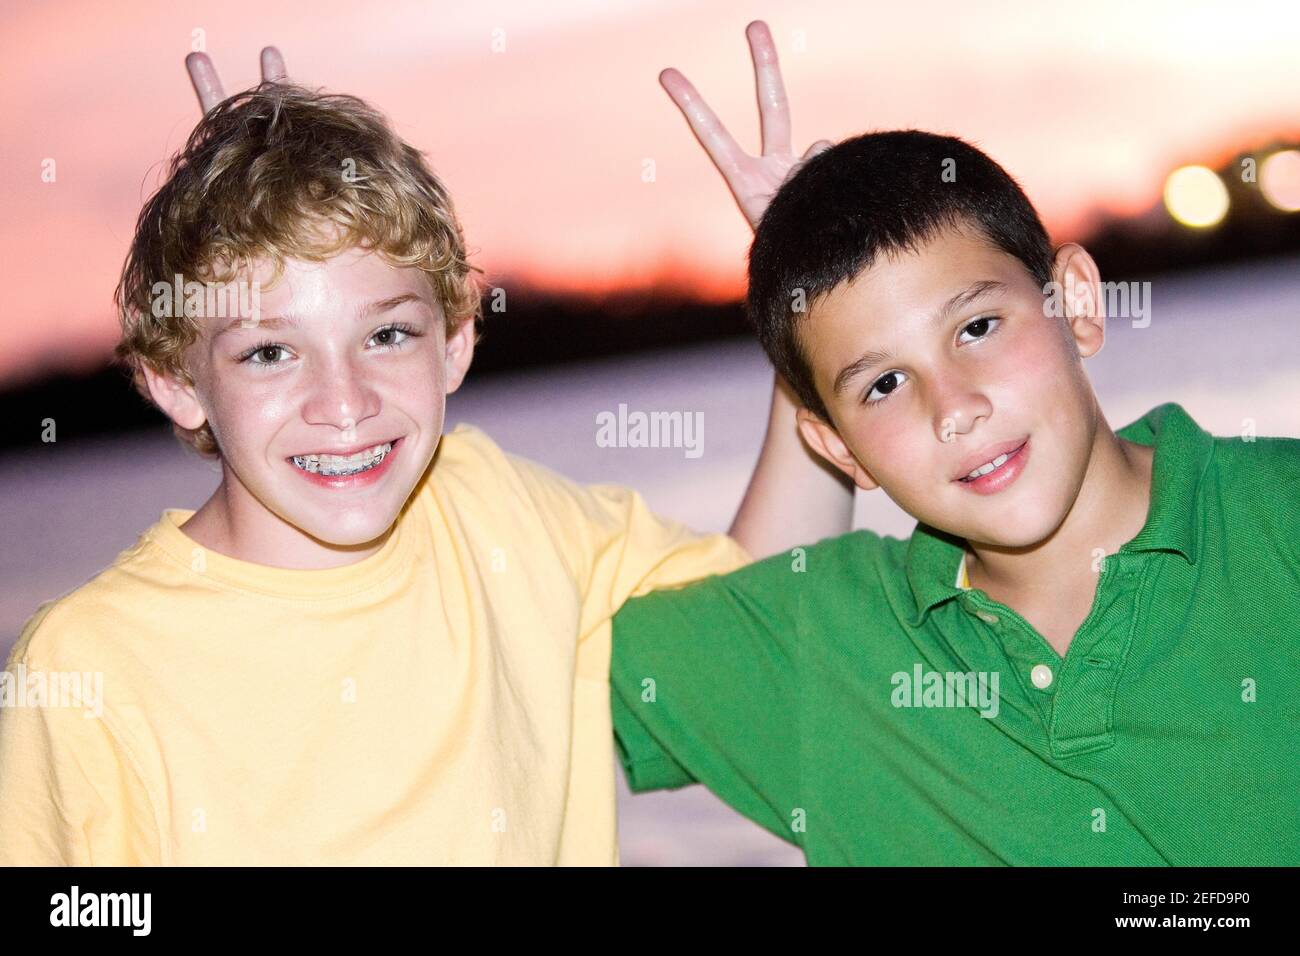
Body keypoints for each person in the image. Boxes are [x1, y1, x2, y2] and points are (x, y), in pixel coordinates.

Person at [0, 24, 850, 865]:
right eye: (268, 352)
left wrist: (805, 293)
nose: (344, 404)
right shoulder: (90, 665)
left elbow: (764, 607)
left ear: (456, 343)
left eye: (387, 335)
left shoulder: (494, 511)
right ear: (178, 383)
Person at [611, 97, 1300, 864]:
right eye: (883, 385)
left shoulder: (1280, 518)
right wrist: (799, 296)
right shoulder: (839, 653)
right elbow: (507, 631)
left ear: (1074, 301)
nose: (956, 410)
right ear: (836, 446)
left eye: (977, 327)